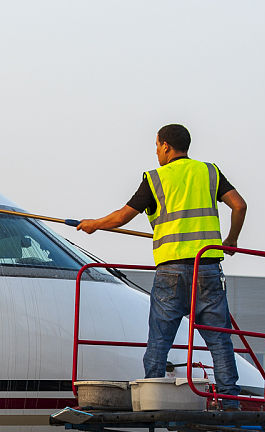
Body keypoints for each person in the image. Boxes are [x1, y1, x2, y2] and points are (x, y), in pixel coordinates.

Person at [77, 123, 247, 409]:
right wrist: (231, 240)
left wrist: (93, 225)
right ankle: (230, 401)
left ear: (166, 146)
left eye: (157, 146)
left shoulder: (155, 179)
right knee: (219, 340)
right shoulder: (209, 172)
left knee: (159, 340)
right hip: (207, 270)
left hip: (171, 272)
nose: (156, 151)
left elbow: (121, 217)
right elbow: (239, 205)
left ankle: (153, 398)